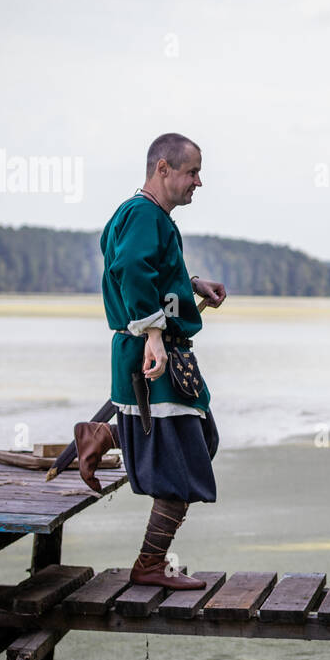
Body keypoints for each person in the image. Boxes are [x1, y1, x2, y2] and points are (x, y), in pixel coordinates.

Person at [74, 132, 227, 590]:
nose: (198, 182)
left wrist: (191, 284)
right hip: (152, 356)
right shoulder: (144, 214)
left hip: (155, 351)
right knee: (179, 468)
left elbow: (152, 268)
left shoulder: (143, 214)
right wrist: (155, 334)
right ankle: (150, 565)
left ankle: (102, 435)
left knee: (201, 438)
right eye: (192, 171)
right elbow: (131, 271)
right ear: (163, 168)